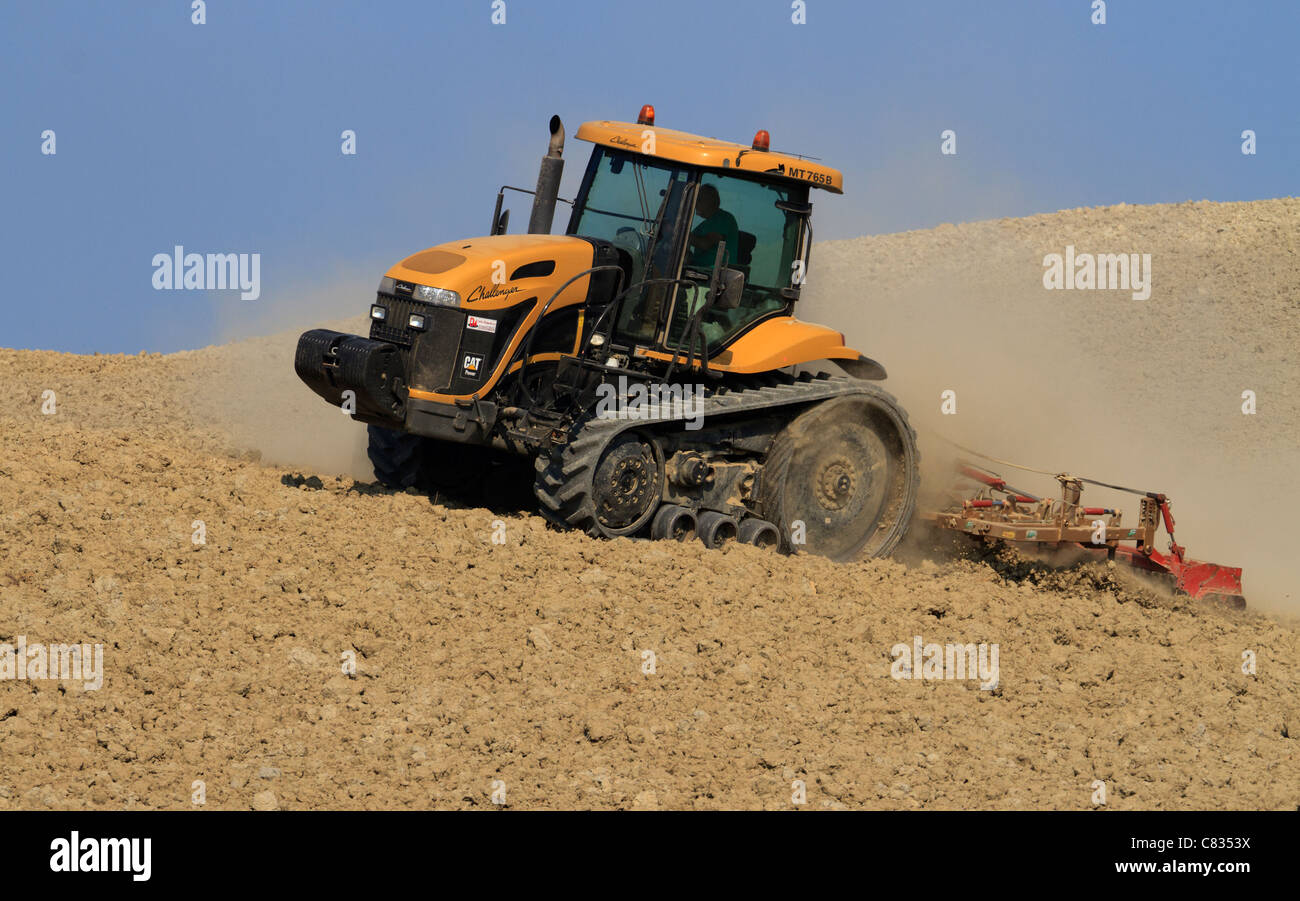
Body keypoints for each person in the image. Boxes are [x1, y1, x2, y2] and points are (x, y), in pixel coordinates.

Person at [687, 184, 739, 270]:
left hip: (715, 276)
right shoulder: (704, 224)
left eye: (699, 199)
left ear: (710, 201)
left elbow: (705, 243)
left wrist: (679, 233)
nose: (695, 203)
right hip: (697, 271)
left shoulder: (724, 218)